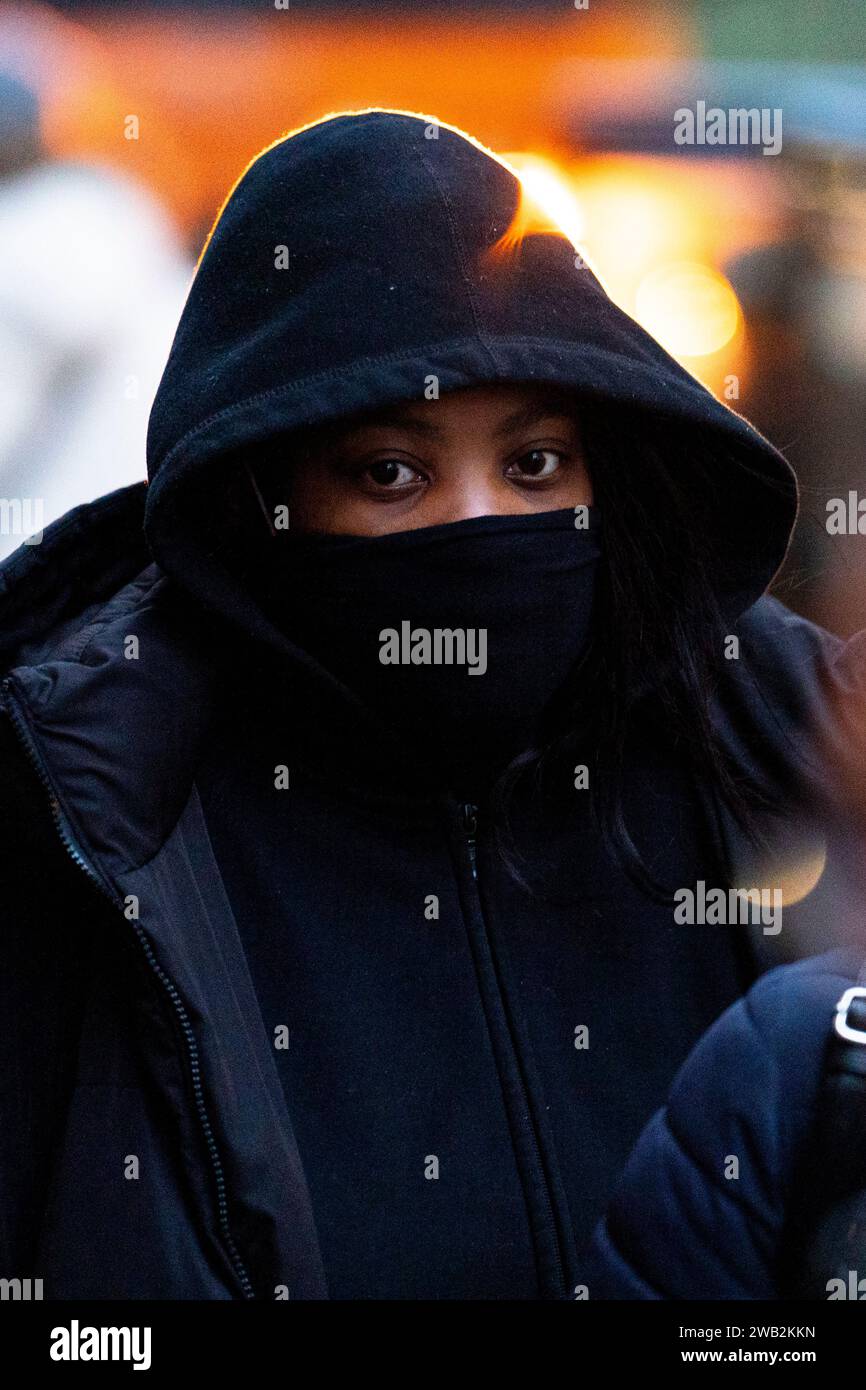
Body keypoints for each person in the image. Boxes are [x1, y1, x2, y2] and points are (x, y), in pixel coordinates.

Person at [1, 108, 864, 1301]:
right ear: (267, 499)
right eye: (390, 473)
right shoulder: (100, 838)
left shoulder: (777, 747)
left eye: (532, 465)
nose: (476, 525)